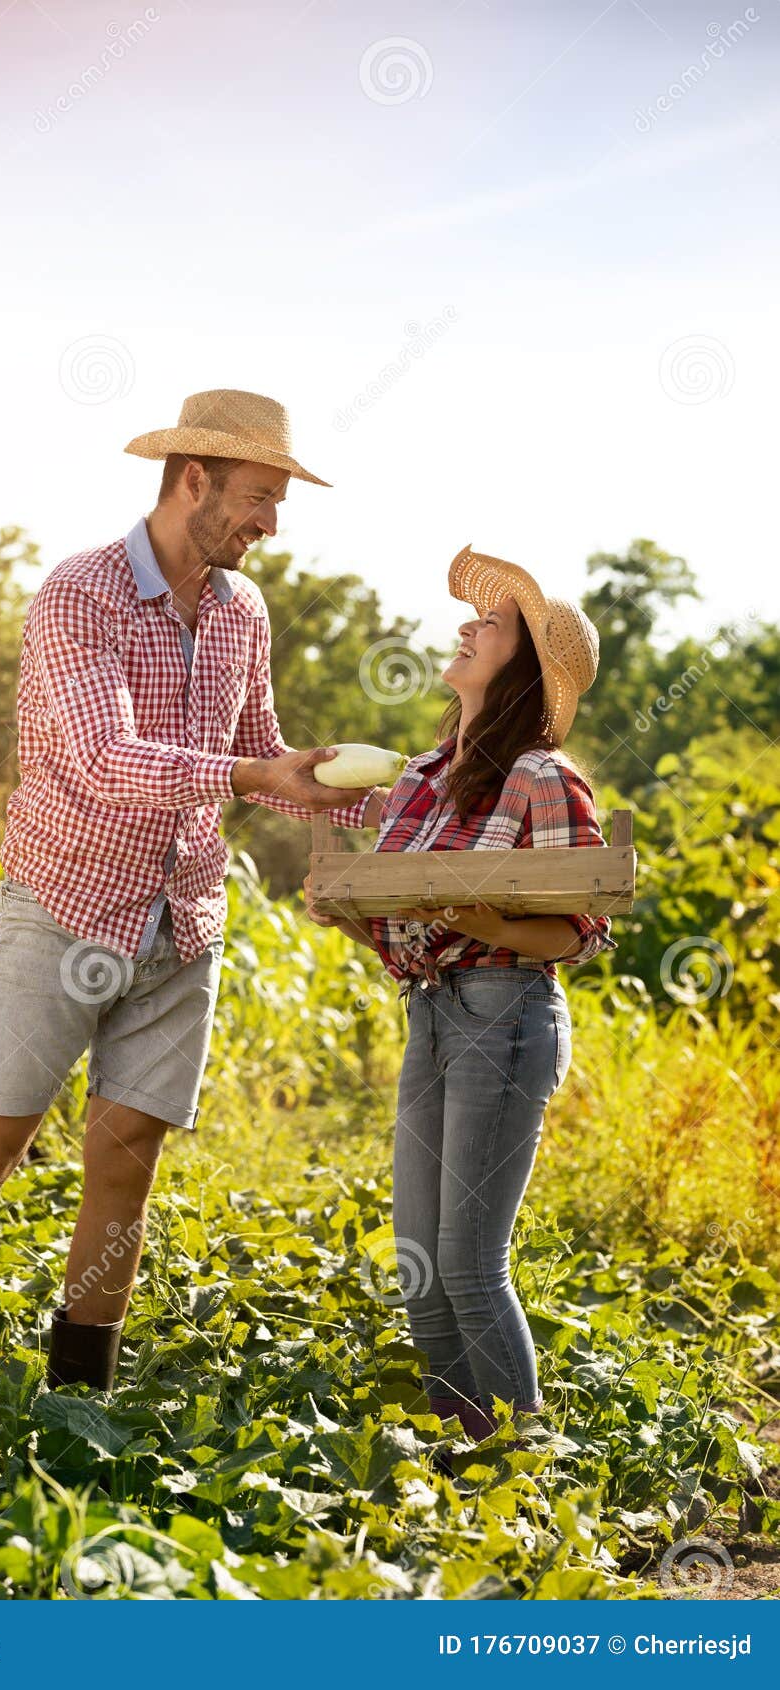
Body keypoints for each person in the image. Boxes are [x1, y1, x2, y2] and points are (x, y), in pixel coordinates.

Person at [0, 389, 383, 1411]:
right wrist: (249, 780)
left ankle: (75, 1412)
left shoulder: (242, 611)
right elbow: (105, 759)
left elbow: (260, 748)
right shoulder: (80, 594)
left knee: (125, 1158)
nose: (270, 523)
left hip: (182, 917)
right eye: (258, 498)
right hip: (64, 903)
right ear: (193, 479)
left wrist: (321, 819)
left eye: (277, 501)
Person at [304, 544, 618, 1440]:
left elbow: (573, 931)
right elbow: (406, 929)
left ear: (527, 666)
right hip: (431, 1011)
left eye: (491, 624)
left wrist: (463, 913)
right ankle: (464, 1459)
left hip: (506, 1011)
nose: (466, 628)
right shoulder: (421, 777)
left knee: (470, 1262)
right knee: (420, 1263)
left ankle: (529, 1467)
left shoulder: (542, 777)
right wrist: (351, 912)